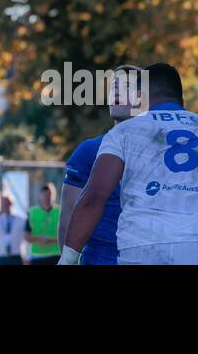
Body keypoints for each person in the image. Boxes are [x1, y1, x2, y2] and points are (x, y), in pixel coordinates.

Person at [60, 63, 198, 265]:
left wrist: (67, 260)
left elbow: (93, 198)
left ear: (140, 96)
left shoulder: (124, 132)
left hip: (143, 249)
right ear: (181, 98)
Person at [58, 65, 142, 265]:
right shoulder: (89, 150)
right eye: (114, 86)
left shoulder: (161, 152)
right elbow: (68, 216)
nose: (116, 92)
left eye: (126, 86)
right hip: (100, 258)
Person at [26, 183, 60, 265]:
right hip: (37, 256)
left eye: (49, 194)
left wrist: (50, 240)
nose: (47, 197)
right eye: (44, 194)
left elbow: (66, 235)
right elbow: (26, 236)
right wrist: (39, 239)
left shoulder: (60, 211)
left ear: (54, 195)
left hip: (56, 255)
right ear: (40, 196)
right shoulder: (32, 212)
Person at [0, 196, 24, 265]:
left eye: (7, 203)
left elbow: (25, 239)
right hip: (2, 257)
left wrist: (27, 256)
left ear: (11, 204)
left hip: (16, 256)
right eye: (3, 203)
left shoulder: (20, 220)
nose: (5, 205)